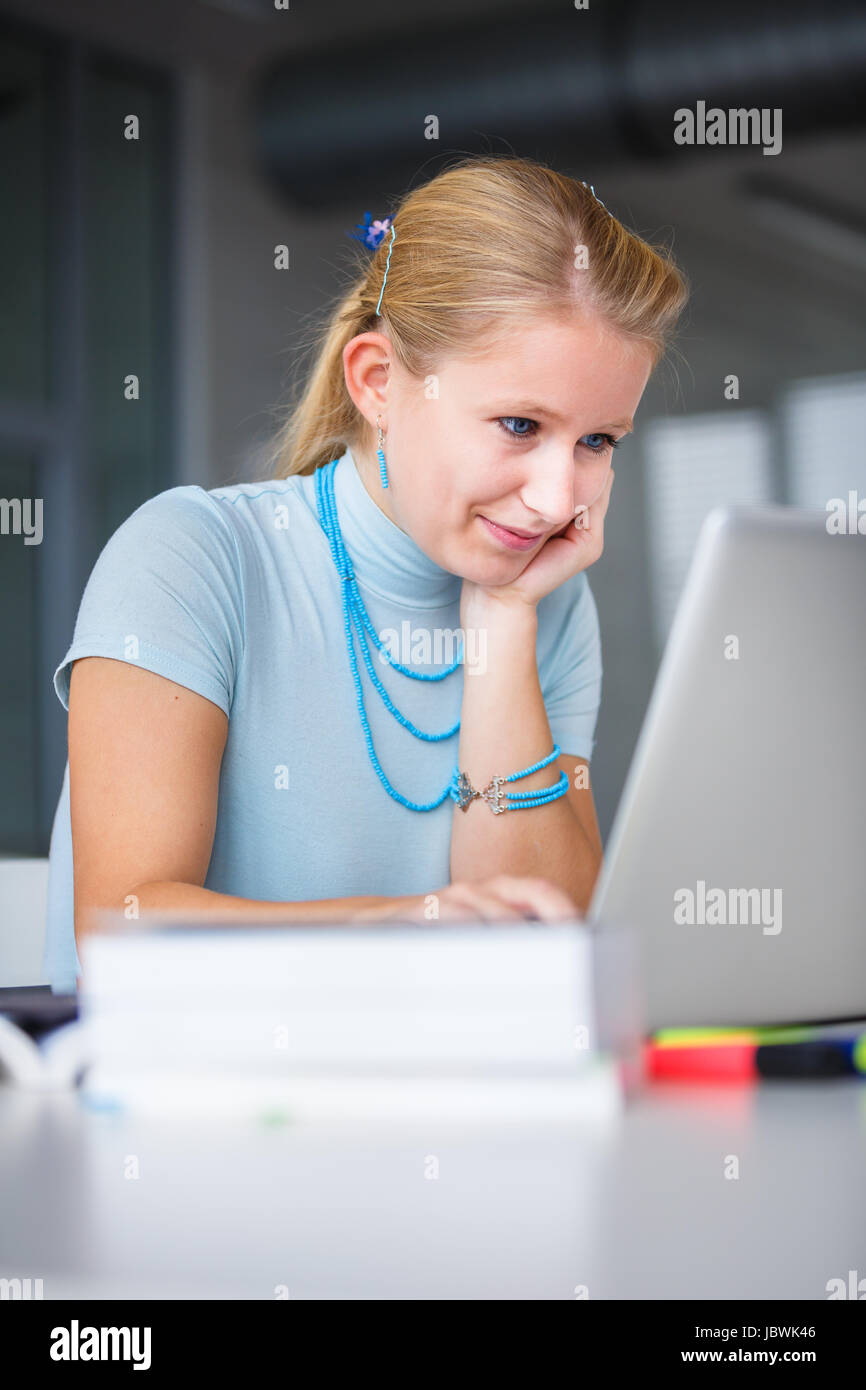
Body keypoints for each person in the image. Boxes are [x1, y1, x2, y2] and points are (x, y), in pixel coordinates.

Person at [42, 154, 689, 993]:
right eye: (521, 424)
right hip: (176, 1101)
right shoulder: (189, 555)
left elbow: (540, 956)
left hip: (421, 1094)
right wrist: (399, 925)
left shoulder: (547, 601)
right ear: (380, 383)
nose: (557, 496)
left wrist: (501, 622)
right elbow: (122, 926)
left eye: (598, 441)